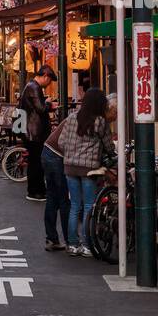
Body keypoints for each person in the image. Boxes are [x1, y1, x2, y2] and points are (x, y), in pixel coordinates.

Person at [58, 87, 116, 256]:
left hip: (70, 167)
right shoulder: (100, 121)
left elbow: (61, 142)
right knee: (89, 206)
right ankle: (87, 245)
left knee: (75, 205)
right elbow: (108, 145)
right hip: (89, 169)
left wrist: (72, 153)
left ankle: (73, 245)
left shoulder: (71, 118)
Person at [20, 65, 57, 201]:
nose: (49, 84)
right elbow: (41, 108)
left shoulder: (31, 86)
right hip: (34, 132)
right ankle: (35, 191)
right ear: (45, 76)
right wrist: (49, 104)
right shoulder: (34, 87)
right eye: (49, 81)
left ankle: (37, 190)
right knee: (36, 162)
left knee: (35, 161)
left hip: (32, 131)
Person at [40, 116, 69, 251]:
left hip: (47, 151)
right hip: (57, 156)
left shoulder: (75, 117)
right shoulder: (90, 119)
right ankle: (70, 240)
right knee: (63, 199)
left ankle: (52, 238)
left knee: (52, 197)